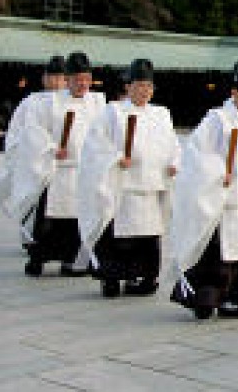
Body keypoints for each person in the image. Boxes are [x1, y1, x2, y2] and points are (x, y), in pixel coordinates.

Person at [169, 57, 238, 320]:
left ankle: (234, 300)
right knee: (217, 258)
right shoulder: (217, 120)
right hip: (224, 203)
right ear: (234, 92)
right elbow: (197, 156)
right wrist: (218, 173)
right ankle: (205, 300)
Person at [77, 59, 180, 297]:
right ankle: (111, 278)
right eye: (140, 85)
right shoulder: (113, 112)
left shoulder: (161, 114)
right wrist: (114, 158)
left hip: (152, 187)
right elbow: (95, 145)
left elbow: (173, 145)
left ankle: (145, 278)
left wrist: (175, 163)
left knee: (148, 238)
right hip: (123, 187)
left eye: (149, 86)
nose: (145, 91)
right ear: (128, 86)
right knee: (119, 237)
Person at [12, 52, 106, 277]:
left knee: (78, 219)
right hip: (57, 170)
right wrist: (52, 148)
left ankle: (72, 260)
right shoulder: (49, 102)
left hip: (83, 171)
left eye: (86, 79)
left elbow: (104, 134)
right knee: (49, 220)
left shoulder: (97, 102)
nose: (83, 84)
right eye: (77, 79)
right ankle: (38, 258)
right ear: (68, 79)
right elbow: (33, 131)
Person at [0, 55, 67, 251]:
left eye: (60, 77)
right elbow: (20, 131)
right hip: (37, 161)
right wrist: (43, 148)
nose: (56, 81)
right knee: (35, 202)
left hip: (66, 165)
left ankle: (61, 247)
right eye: (51, 76)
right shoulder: (31, 102)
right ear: (44, 79)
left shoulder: (75, 102)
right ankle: (33, 242)